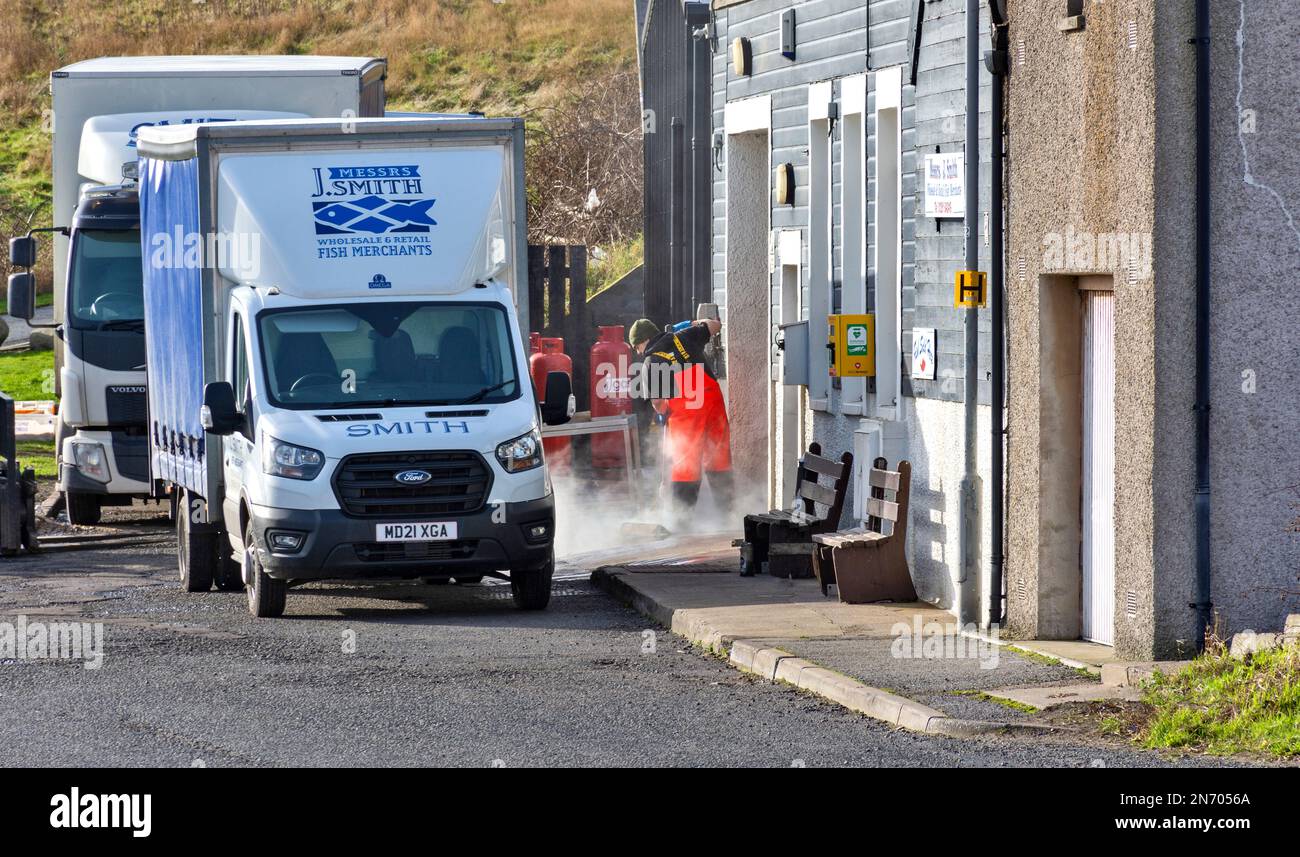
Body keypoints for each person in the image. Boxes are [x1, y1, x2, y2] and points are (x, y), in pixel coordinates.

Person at [629, 317, 733, 528]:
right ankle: (729, 517)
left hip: (687, 413)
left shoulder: (651, 362)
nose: (639, 352)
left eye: (637, 346)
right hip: (713, 403)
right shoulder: (685, 336)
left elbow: (658, 402)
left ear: (645, 340)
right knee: (718, 457)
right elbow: (715, 325)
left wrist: (665, 412)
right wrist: (692, 323)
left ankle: (681, 523)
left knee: (686, 464)